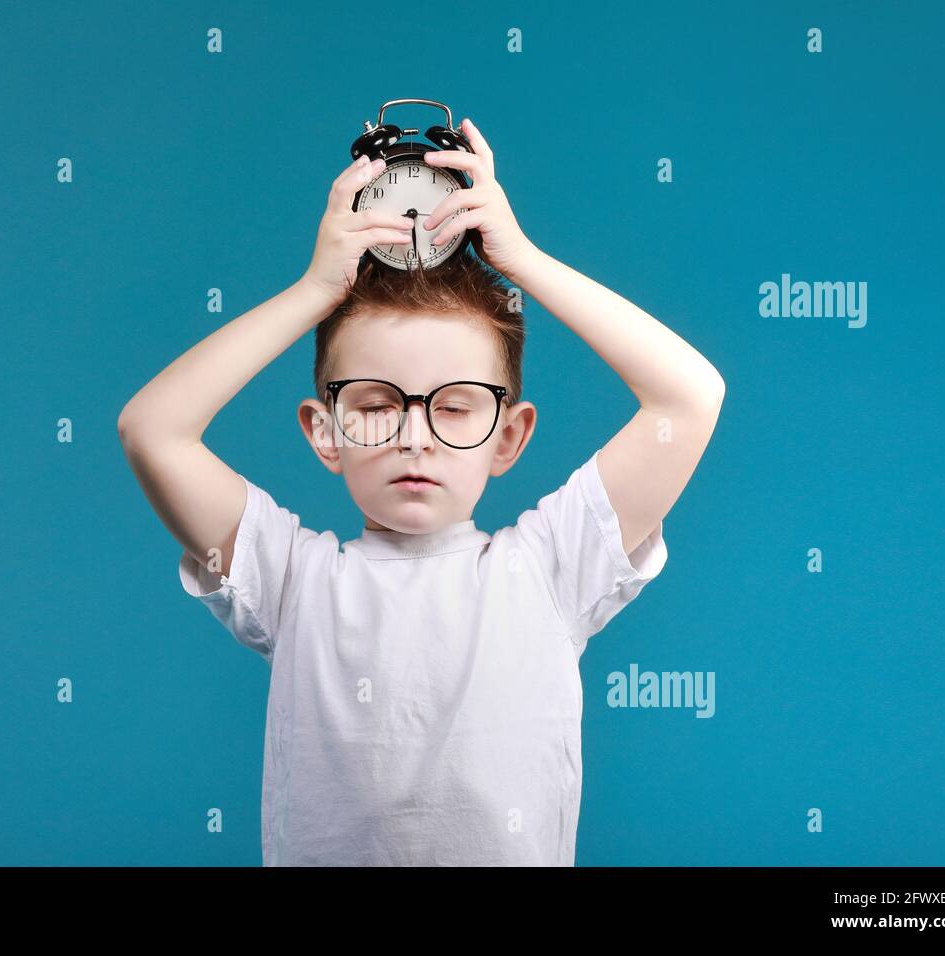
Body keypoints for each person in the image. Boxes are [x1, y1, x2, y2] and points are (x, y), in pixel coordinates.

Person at [118, 117, 725, 865]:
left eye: (456, 405)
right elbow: (153, 429)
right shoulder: (291, 580)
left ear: (509, 435)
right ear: (324, 430)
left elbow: (690, 398)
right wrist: (315, 291)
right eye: (376, 404)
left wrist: (523, 260)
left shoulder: (551, 568)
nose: (416, 437)